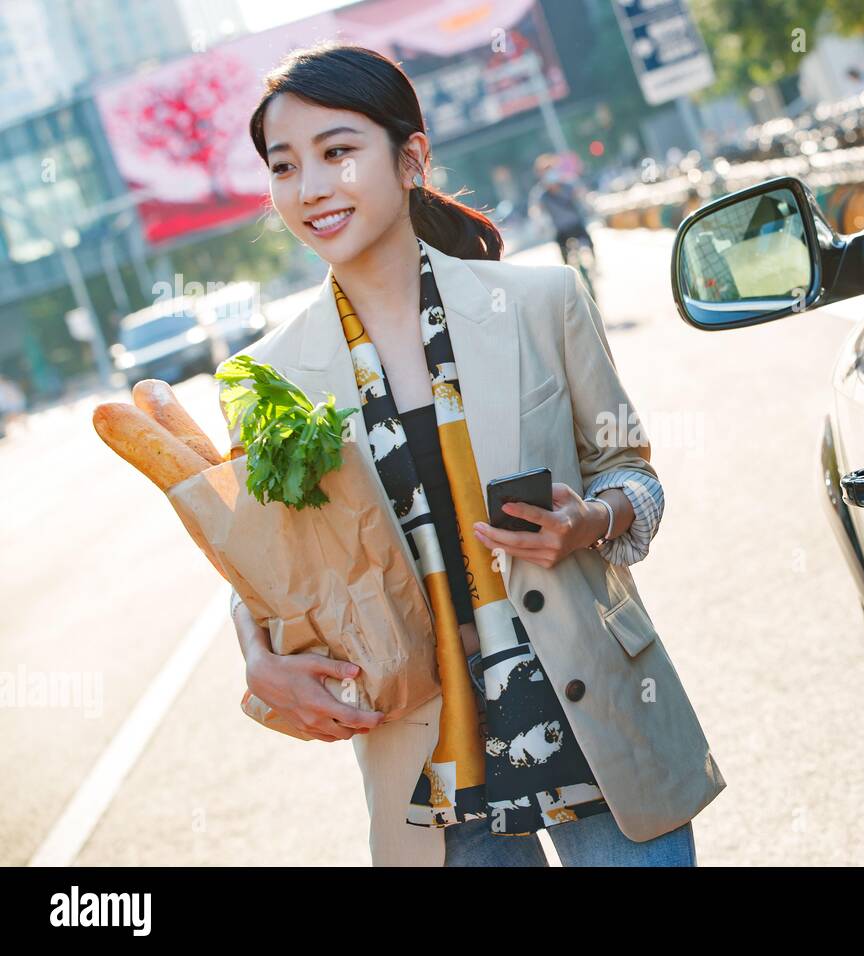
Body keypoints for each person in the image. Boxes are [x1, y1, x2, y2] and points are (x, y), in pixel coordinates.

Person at [230, 42, 724, 866]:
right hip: (427, 754)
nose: (310, 187)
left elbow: (632, 472)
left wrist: (595, 518)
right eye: (285, 166)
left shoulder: (542, 302)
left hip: (597, 716)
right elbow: (269, 568)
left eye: (338, 152)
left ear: (411, 157)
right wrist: (256, 659)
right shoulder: (271, 375)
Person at [528, 154, 598, 272]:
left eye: (551, 169)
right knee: (564, 258)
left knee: (590, 243)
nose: (549, 173)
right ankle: (571, 274)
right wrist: (539, 225)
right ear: (540, 175)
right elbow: (536, 212)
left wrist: (589, 207)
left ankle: (595, 265)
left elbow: (582, 196)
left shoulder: (569, 185)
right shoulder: (541, 194)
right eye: (545, 171)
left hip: (576, 224)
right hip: (561, 231)